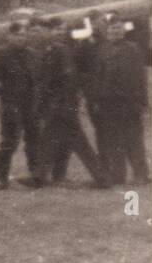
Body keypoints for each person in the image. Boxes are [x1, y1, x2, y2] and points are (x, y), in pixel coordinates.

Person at [34, 17, 105, 187]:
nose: (59, 32)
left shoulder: (61, 50)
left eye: (62, 29)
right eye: (56, 29)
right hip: (61, 104)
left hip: (62, 105)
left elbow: (68, 78)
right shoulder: (54, 49)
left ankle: (102, 179)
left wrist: (61, 102)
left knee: (76, 143)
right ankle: (38, 177)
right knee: (50, 139)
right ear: (50, 31)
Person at [90, 17, 152, 186]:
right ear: (107, 32)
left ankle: (141, 174)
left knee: (133, 140)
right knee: (114, 141)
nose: (114, 33)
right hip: (108, 103)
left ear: (123, 31)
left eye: (117, 29)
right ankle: (118, 176)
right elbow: (98, 77)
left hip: (129, 102)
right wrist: (96, 99)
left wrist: (142, 102)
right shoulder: (103, 50)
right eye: (111, 30)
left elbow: (140, 77)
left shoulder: (133, 49)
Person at [0, 20, 41, 189]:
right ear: (9, 36)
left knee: (33, 141)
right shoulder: (1, 53)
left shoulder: (32, 54)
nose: (20, 38)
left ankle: (35, 175)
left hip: (31, 103)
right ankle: (2, 178)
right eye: (16, 35)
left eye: (23, 35)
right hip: (12, 104)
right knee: (9, 142)